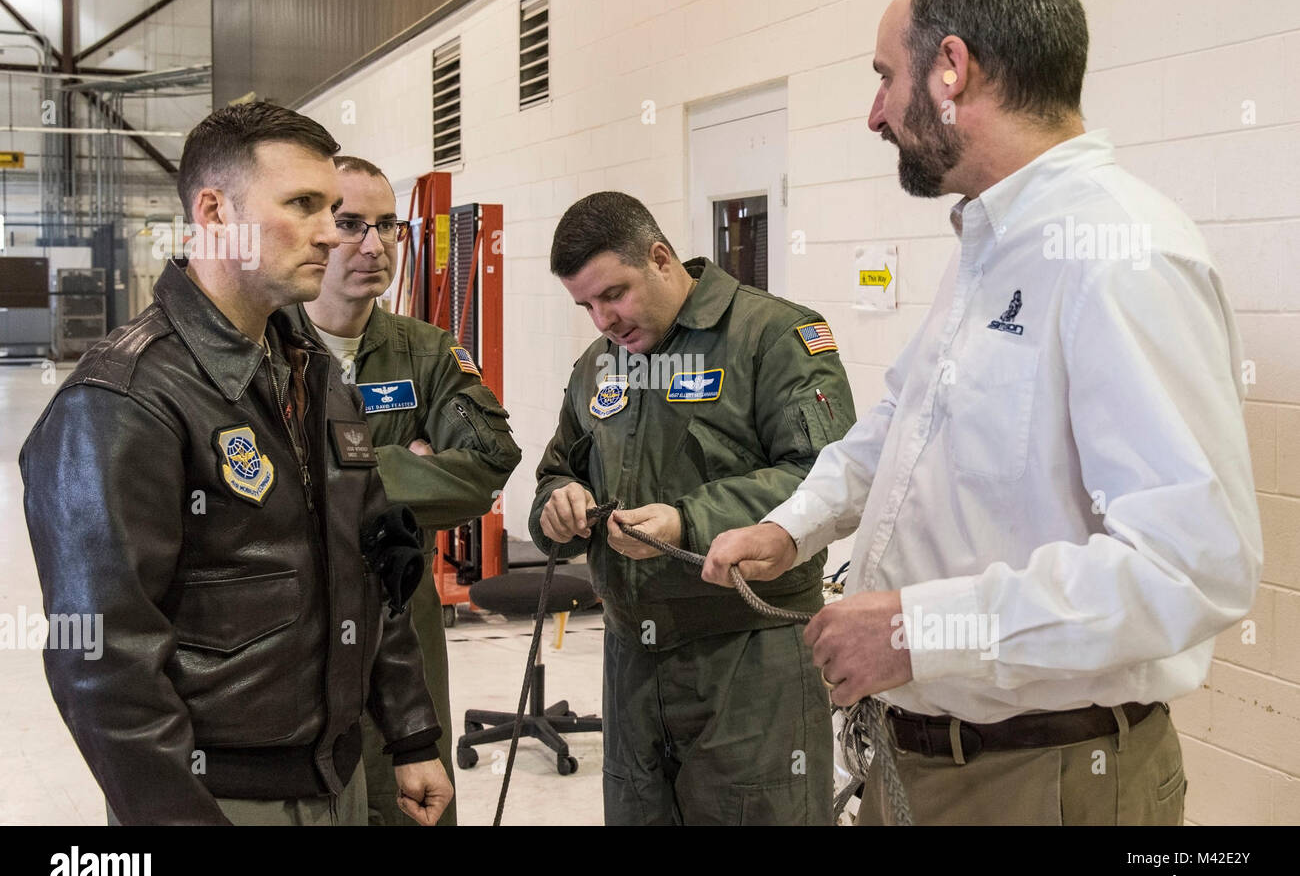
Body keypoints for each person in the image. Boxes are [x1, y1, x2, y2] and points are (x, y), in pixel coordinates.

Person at [702, 0, 1263, 825]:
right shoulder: (997, 242)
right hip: (933, 760)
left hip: (1045, 777)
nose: (875, 113)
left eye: (887, 77)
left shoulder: (1119, 252)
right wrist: (791, 525)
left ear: (952, 70)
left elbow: (1190, 568)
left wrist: (920, 629)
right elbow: (902, 423)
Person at [20, 102, 452, 826]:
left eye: (334, 208)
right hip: (218, 799)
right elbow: (102, 664)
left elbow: (376, 566)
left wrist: (409, 732)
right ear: (216, 212)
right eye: (304, 205)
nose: (331, 233)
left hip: (337, 781)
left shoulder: (311, 371)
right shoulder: (123, 401)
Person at [529, 191, 856, 825]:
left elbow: (826, 476)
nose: (603, 320)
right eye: (586, 305)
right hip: (631, 660)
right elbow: (557, 469)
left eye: (614, 294)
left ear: (660, 258)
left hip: (748, 654)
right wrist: (557, 506)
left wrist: (688, 521)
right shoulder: (600, 366)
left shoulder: (773, 337)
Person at [290, 154, 522, 826]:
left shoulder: (425, 352)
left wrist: (350, 471)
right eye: (352, 224)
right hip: (294, 621)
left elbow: (488, 463)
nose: (375, 244)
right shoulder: (269, 349)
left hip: (402, 611)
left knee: (413, 796)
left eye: (388, 224)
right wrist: (412, 463)